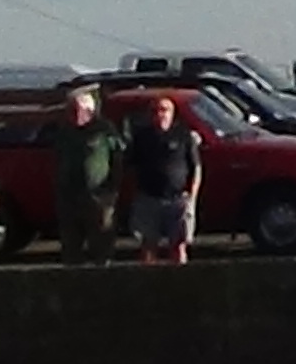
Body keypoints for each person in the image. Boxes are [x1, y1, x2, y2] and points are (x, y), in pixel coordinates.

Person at [121, 88, 204, 265]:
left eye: (164, 110)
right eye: (155, 111)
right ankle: (149, 286)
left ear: (172, 114)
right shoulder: (142, 137)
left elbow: (195, 167)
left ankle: (181, 282)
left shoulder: (183, 135)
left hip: (178, 199)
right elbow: (128, 165)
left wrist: (192, 196)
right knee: (148, 246)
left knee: (178, 245)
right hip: (149, 199)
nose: (160, 114)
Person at [46, 85, 121, 264]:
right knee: (71, 246)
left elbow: (118, 160)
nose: (73, 114)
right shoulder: (64, 131)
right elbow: (57, 158)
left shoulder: (104, 130)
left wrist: (111, 191)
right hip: (69, 198)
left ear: (89, 110)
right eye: (70, 110)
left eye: (77, 110)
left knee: (101, 245)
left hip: (97, 198)